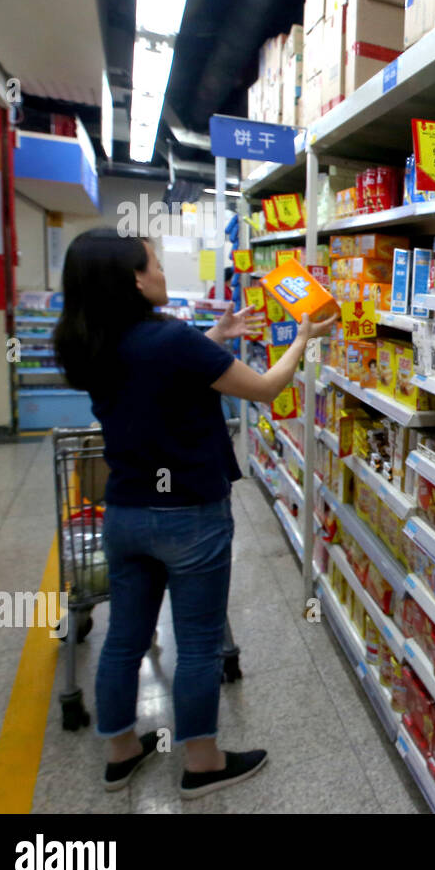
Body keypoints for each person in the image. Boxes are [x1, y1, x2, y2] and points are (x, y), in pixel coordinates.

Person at [53, 229, 337, 799]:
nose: (162, 272)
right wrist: (303, 338)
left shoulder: (91, 342)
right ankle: (202, 763)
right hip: (189, 515)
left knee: (123, 638)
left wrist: (215, 336)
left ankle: (120, 753)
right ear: (135, 279)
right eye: (155, 263)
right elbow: (263, 389)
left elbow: (150, 375)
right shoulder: (172, 339)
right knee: (200, 641)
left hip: (127, 513)